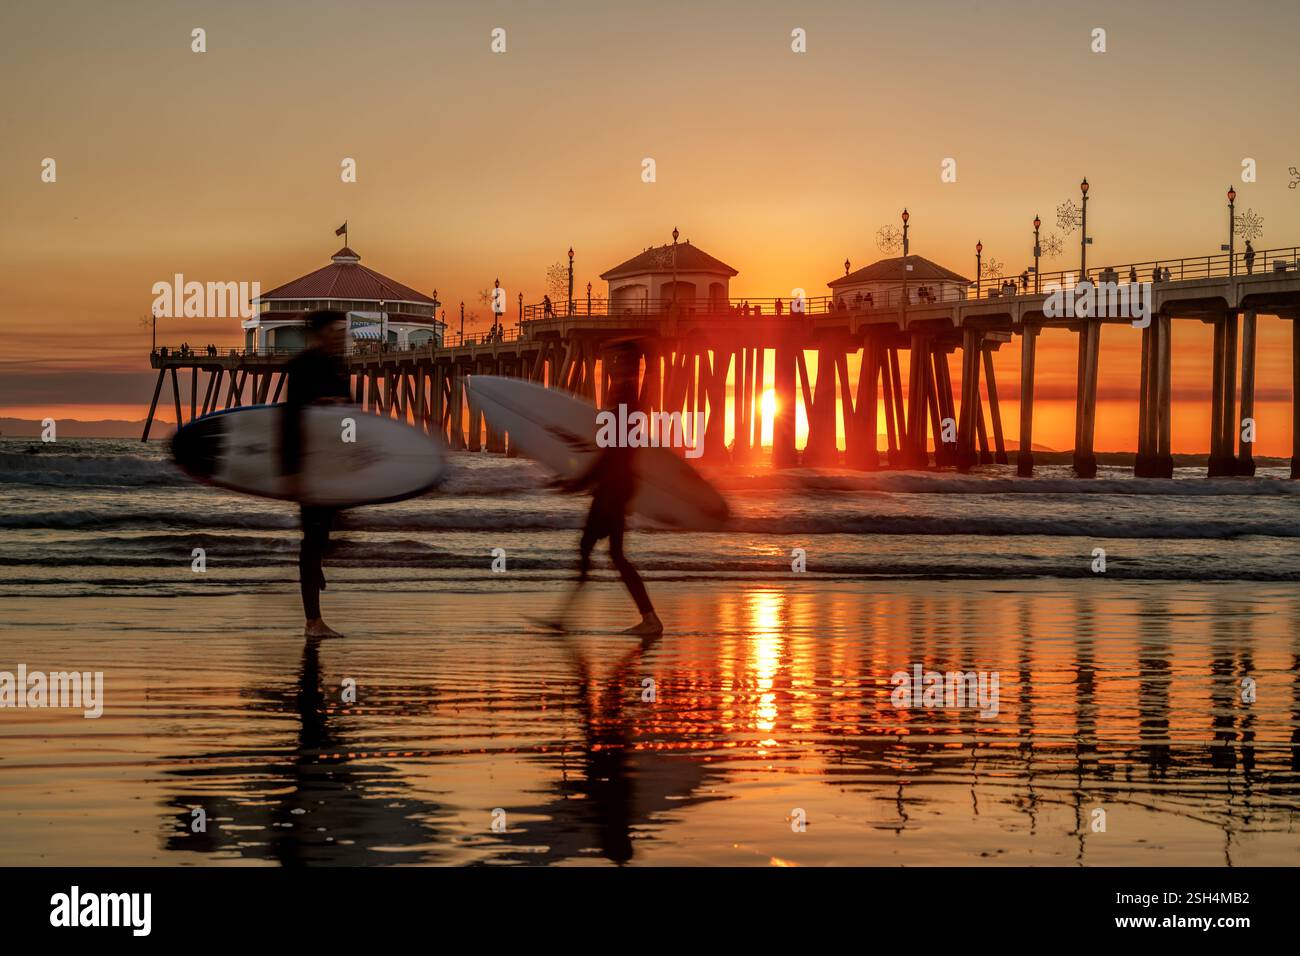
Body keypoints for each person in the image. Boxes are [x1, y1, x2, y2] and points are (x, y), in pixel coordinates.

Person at [543, 341, 662, 636]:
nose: (614, 366)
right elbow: (608, 449)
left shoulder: (625, 399)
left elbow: (613, 453)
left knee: (599, 551)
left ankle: (568, 618)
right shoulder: (627, 397)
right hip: (617, 486)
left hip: (614, 487)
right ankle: (648, 619)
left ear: (629, 367)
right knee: (612, 554)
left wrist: (577, 482)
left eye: (621, 362)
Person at [281, 309, 352, 639]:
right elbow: (291, 420)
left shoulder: (336, 366)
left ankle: (315, 568)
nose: (341, 335)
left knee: (337, 529)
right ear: (320, 332)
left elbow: (349, 415)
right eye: (335, 329)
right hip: (310, 464)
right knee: (313, 540)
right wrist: (291, 470)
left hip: (332, 464)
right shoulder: (302, 367)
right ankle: (313, 622)